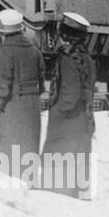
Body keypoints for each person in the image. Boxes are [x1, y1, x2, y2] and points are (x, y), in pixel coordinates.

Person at [0, 8, 42, 184]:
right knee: (27, 164)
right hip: (32, 115)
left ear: (0, 31)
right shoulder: (34, 50)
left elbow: (0, 89)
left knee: (7, 171)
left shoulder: (5, 52)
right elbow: (41, 82)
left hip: (10, 115)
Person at [42, 12, 96, 198]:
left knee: (58, 188)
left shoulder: (67, 58)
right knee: (78, 184)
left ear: (62, 32)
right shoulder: (87, 58)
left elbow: (69, 98)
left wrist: (55, 111)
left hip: (65, 128)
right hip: (83, 124)